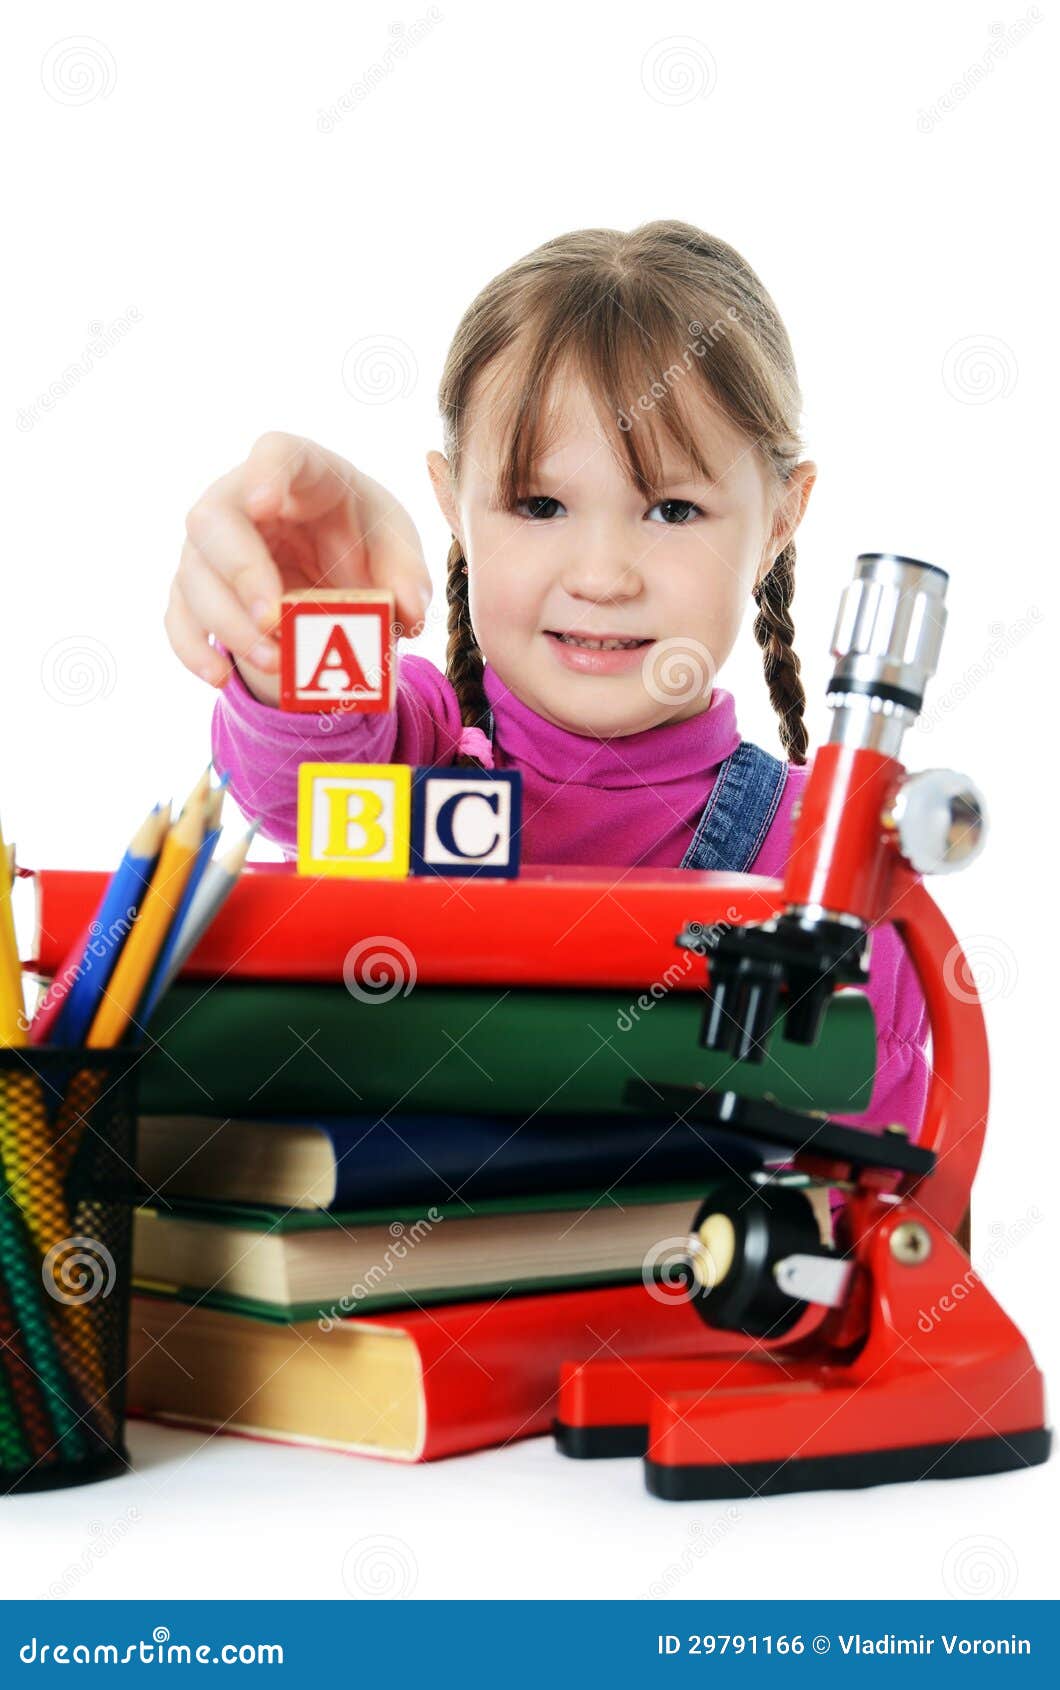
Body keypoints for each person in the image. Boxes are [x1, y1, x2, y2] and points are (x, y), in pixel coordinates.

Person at [165, 219, 928, 1144]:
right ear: (453, 505)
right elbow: (299, 771)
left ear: (779, 521)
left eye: (673, 508)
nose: (603, 574)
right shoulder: (418, 752)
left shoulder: (825, 854)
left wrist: (859, 927)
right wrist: (304, 630)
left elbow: (876, 1174)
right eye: (539, 505)